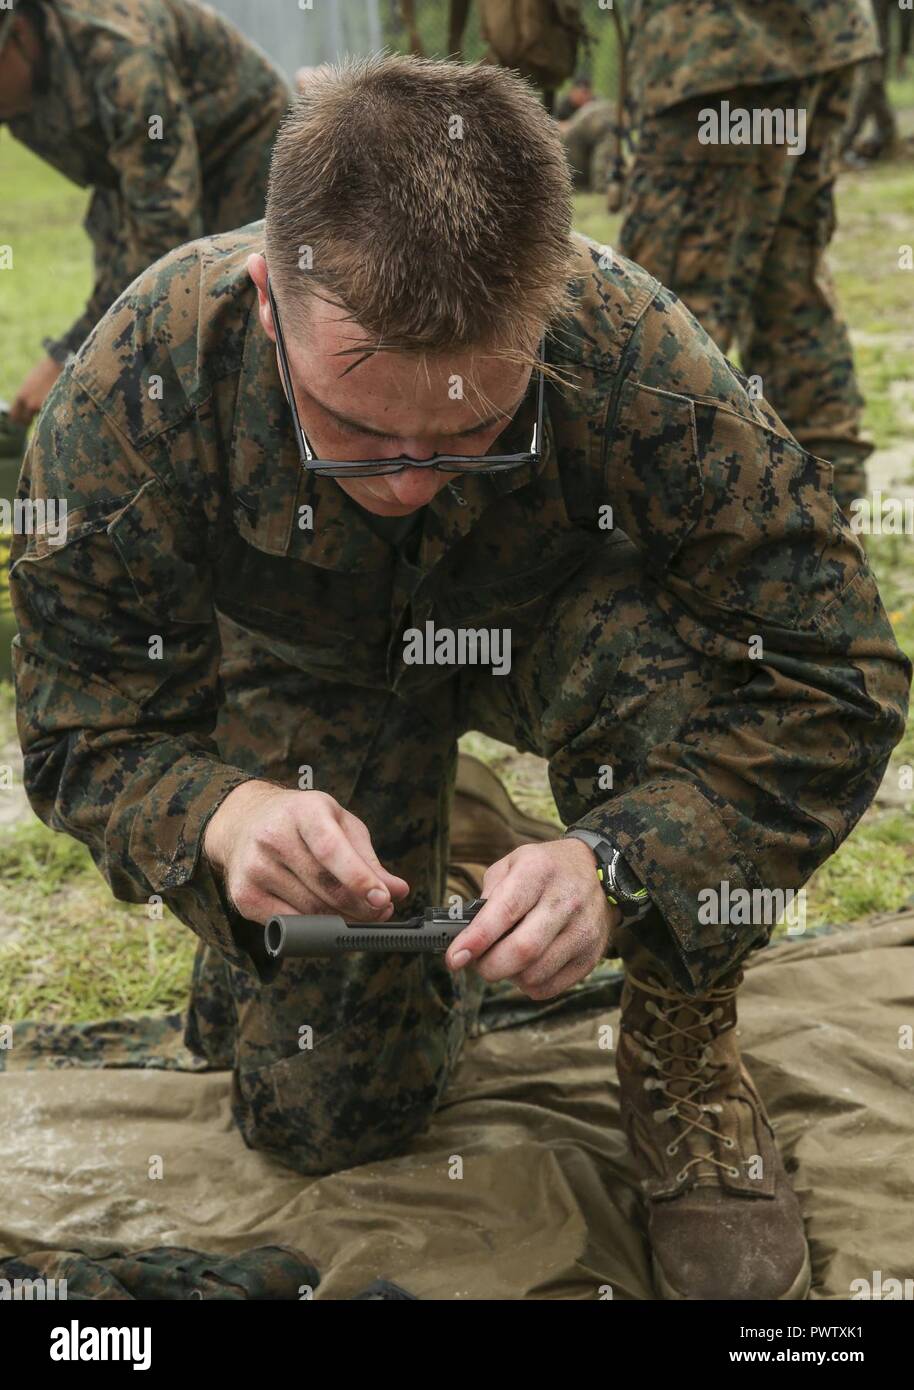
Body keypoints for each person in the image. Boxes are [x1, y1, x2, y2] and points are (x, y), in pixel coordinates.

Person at [9, 55, 910, 1301]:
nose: (410, 477)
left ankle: (683, 1035)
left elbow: (833, 670)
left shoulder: (630, 348)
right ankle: (453, 836)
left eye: (474, 431)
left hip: (548, 639)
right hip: (308, 672)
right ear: (272, 301)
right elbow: (77, 719)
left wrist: (623, 865)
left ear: (540, 321)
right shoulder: (140, 382)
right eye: (356, 429)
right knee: (320, 1120)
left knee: (701, 684)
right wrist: (226, 816)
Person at [618, 0, 881, 511]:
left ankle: (664, 522)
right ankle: (825, 513)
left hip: (723, 47)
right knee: (789, 279)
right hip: (824, 33)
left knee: (658, 309)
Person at [0, 0, 291, 428]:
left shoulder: (121, 57)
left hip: (241, 146)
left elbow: (162, 236)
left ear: (19, 36)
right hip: (135, 167)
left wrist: (66, 357)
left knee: (224, 307)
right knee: (123, 340)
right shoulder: (27, 66)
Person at [560, 97, 617, 192]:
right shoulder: (612, 122)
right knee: (578, 182)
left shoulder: (608, 110)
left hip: (572, 141)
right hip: (575, 145)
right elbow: (602, 157)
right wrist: (601, 186)